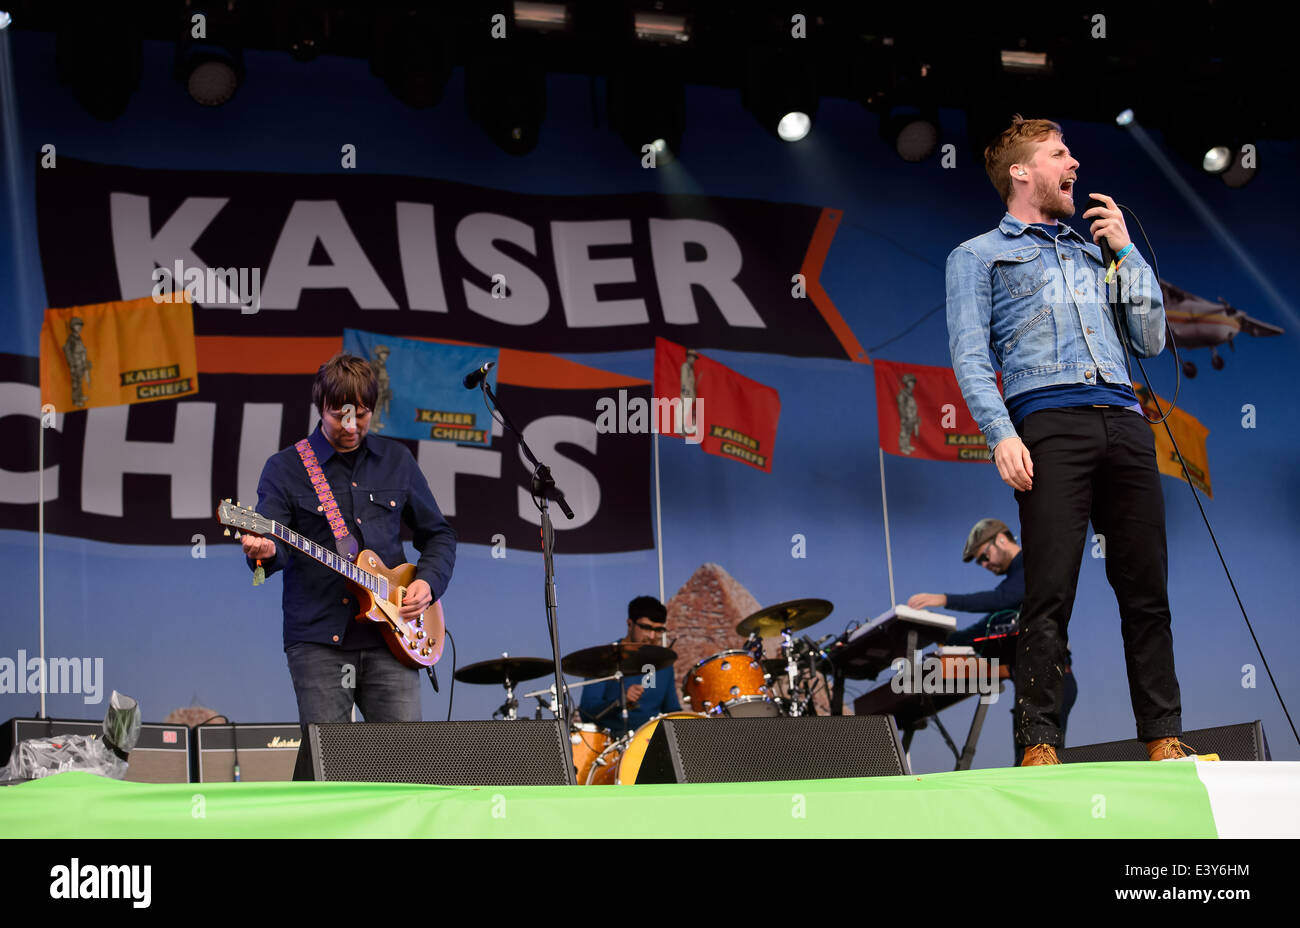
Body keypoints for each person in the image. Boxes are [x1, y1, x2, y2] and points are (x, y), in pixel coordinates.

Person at [946, 115, 1195, 765]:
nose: (1075, 164)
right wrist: (1000, 433)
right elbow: (971, 357)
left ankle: (1164, 734)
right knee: (1049, 589)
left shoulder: (1094, 253)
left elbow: (1148, 340)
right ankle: (1039, 743)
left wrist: (1125, 253)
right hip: (1049, 421)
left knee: (1146, 587)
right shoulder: (977, 255)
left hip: (1125, 419)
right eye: (1060, 154)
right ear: (1022, 172)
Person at [240, 352, 457, 728]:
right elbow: (269, 548)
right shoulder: (286, 468)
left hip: (394, 638)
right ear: (320, 407)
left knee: (406, 763)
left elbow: (438, 534)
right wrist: (264, 552)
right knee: (332, 768)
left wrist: (427, 583)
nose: (351, 425)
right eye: (339, 414)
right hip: (320, 640)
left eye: (362, 413)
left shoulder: (397, 460)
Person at [908, 518, 1077, 762]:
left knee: (1039, 765)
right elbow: (988, 627)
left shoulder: (1032, 563)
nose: (984, 565)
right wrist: (941, 635)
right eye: (980, 562)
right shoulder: (1014, 592)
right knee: (1026, 764)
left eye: (984, 557)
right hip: (1034, 689)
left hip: (1053, 683)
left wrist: (944, 599)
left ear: (1000, 540)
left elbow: (1001, 599)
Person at [578, 596, 681, 737]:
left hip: (652, 746)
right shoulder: (602, 659)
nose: (652, 636)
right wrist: (620, 702)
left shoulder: (664, 665)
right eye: (646, 628)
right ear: (630, 624)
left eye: (658, 630)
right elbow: (586, 713)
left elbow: (672, 710)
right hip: (611, 747)